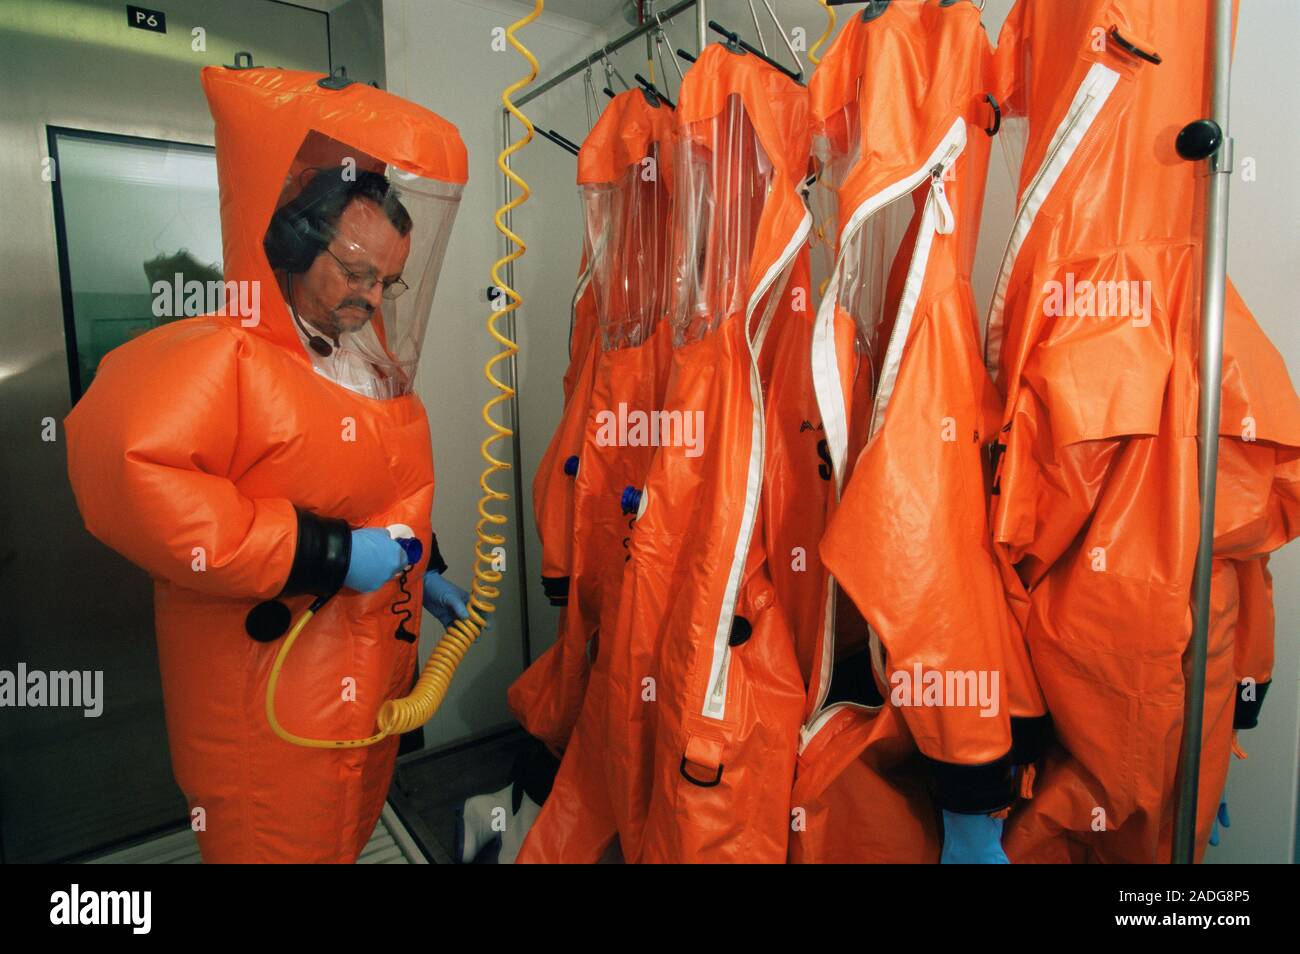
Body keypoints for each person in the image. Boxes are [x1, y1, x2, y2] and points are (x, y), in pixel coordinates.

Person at [65, 64, 471, 862]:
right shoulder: (225, 358)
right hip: (267, 712)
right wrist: (320, 552)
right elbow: (127, 474)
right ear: (291, 245)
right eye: (355, 273)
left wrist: (419, 573)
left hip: (359, 698)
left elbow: (375, 483)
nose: (372, 298)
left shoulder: (362, 358)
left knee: (341, 838)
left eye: (387, 281)